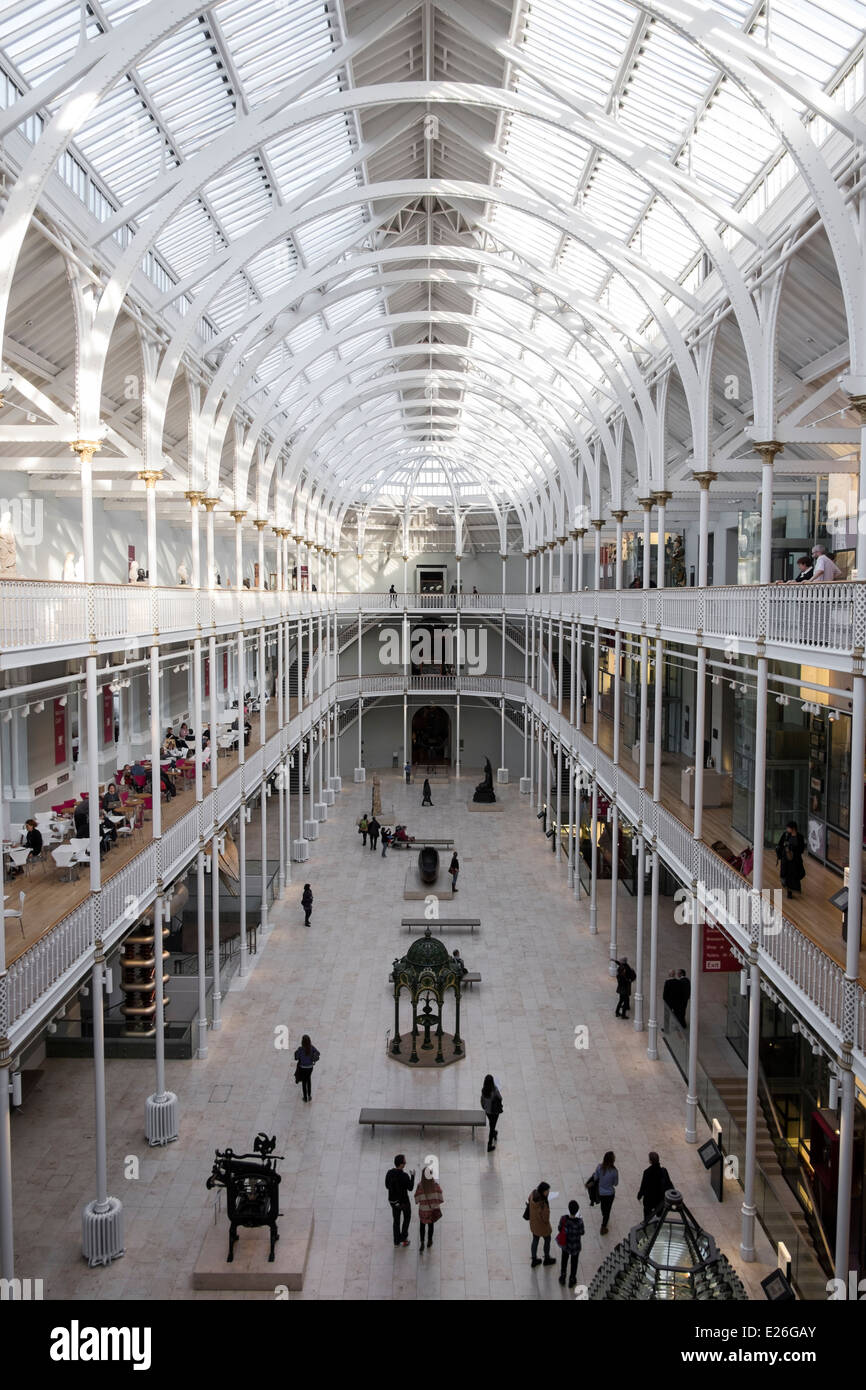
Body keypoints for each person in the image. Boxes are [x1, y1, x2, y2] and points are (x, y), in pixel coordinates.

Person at [385, 1155, 415, 1247]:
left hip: (394, 1202)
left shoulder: (389, 1173)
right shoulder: (404, 1176)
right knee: (406, 1218)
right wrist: (412, 1176)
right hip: (404, 1202)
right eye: (405, 1162)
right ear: (401, 1164)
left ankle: (396, 1242)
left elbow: (387, 1186)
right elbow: (410, 1188)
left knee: (396, 1221)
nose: (405, 1163)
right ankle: (403, 1238)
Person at [636, 1152, 673, 1223]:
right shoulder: (663, 1171)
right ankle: (657, 1224)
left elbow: (643, 1186)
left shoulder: (647, 1172)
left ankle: (647, 1226)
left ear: (650, 1161)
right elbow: (668, 1183)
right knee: (659, 1214)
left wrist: (639, 1195)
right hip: (660, 1198)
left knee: (647, 1215)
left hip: (649, 1198)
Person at [414, 1165, 444, 1251]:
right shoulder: (435, 1185)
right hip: (431, 1211)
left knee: (422, 1226)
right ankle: (429, 1241)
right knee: (431, 1226)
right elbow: (440, 1195)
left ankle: (422, 1242)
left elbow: (417, 1198)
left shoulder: (420, 1186)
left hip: (423, 1210)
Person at [556, 1200, 585, 1287]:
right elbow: (582, 1232)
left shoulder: (564, 1219)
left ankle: (563, 1276)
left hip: (565, 1245)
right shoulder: (580, 1222)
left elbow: (559, 1228)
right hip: (575, 1245)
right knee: (574, 1262)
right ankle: (572, 1278)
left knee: (564, 1260)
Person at [527, 1182, 556, 1267]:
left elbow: (529, 1199)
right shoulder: (543, 1204)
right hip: (542, 1227)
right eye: (547, 1191)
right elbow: (545, 1218)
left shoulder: (533, 1194)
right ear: (543, 1191)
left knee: (535, 1240)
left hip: (534, 1223)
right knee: (547, 1239)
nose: (548, 1192)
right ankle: (547, 1258)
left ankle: (534, 1259)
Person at [776, 820, 806, 899]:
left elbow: (801, 849)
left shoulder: (799, 837)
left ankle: (792, 890)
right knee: (786, 875)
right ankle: (789, 891)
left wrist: (792, 848)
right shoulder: (785, 835)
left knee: (795, 875)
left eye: (788, 828)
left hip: (795, 861)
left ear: (793, 828)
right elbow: (780, 844)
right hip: (786, 860)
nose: (787, 829)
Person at [593, 1152, 619, 1234]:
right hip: (610, 1194)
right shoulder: (614, 1171)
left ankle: (604, 1215)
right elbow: (615, 1183)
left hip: (601, 1193)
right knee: (608, 1210)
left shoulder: (599, 1167)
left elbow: (595, 1177)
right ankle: (603, 1227)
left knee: (603, 1207)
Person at [293, 1033, 320, 1101]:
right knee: (309, 1080)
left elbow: (296, 1057)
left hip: (302, 1068)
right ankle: (309, 1095)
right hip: (310, 1067)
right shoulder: (311, 1048)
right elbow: (318, 1053)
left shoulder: (300, 1049)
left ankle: (305, 1097)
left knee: (304, 1082)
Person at [480, 1073, 503, 1151]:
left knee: (491, 1123)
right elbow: (500, 1098)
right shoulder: (495, 1090)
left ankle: (494, 1133)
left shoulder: (483, 1090)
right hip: (494, 1111)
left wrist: (484, 1106)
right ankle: (489, 1144)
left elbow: (482, 1100)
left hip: (487, 1111)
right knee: (492, 1126)